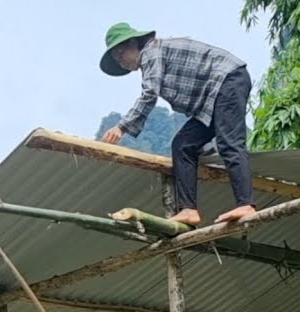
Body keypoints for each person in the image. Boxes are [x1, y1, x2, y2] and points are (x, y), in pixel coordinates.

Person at [98, 22, 255, 227]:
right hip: (210, 100)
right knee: (182, 145)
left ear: (133, 44)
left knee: (229, 143)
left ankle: (246, 204)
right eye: (117, 60)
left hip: (227, 80)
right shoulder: (155, 55)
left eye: (121, 55)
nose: (121, 62)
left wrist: (122, 127)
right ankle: (188, 209)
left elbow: (149, 94)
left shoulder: (151, 52)